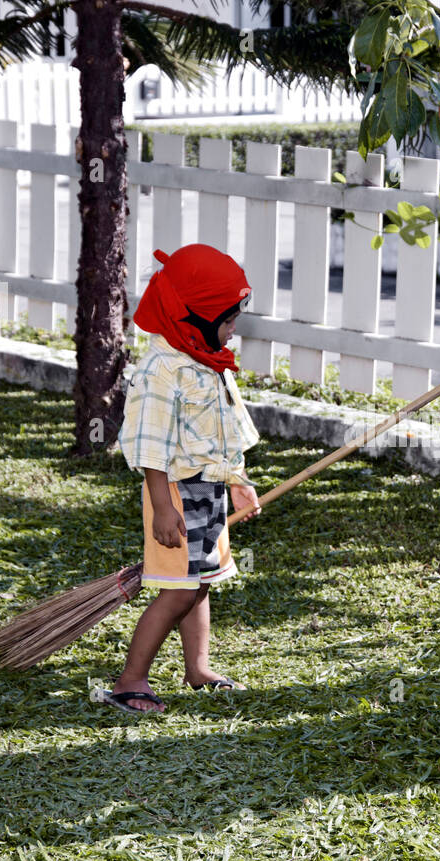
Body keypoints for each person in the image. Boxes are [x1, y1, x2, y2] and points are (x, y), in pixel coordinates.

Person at [102, 244, 263, 714]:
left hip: (208, 487)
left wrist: (238, 480)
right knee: (179, 590)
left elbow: (225, 427)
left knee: (202, 581)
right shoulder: (162, 370)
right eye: (228, 319)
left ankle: (198, 668)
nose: (234, 329)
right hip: (174, 491)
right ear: (193, 317)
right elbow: (150, 447)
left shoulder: (208, 358)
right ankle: (130, 679)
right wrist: (164, 507)